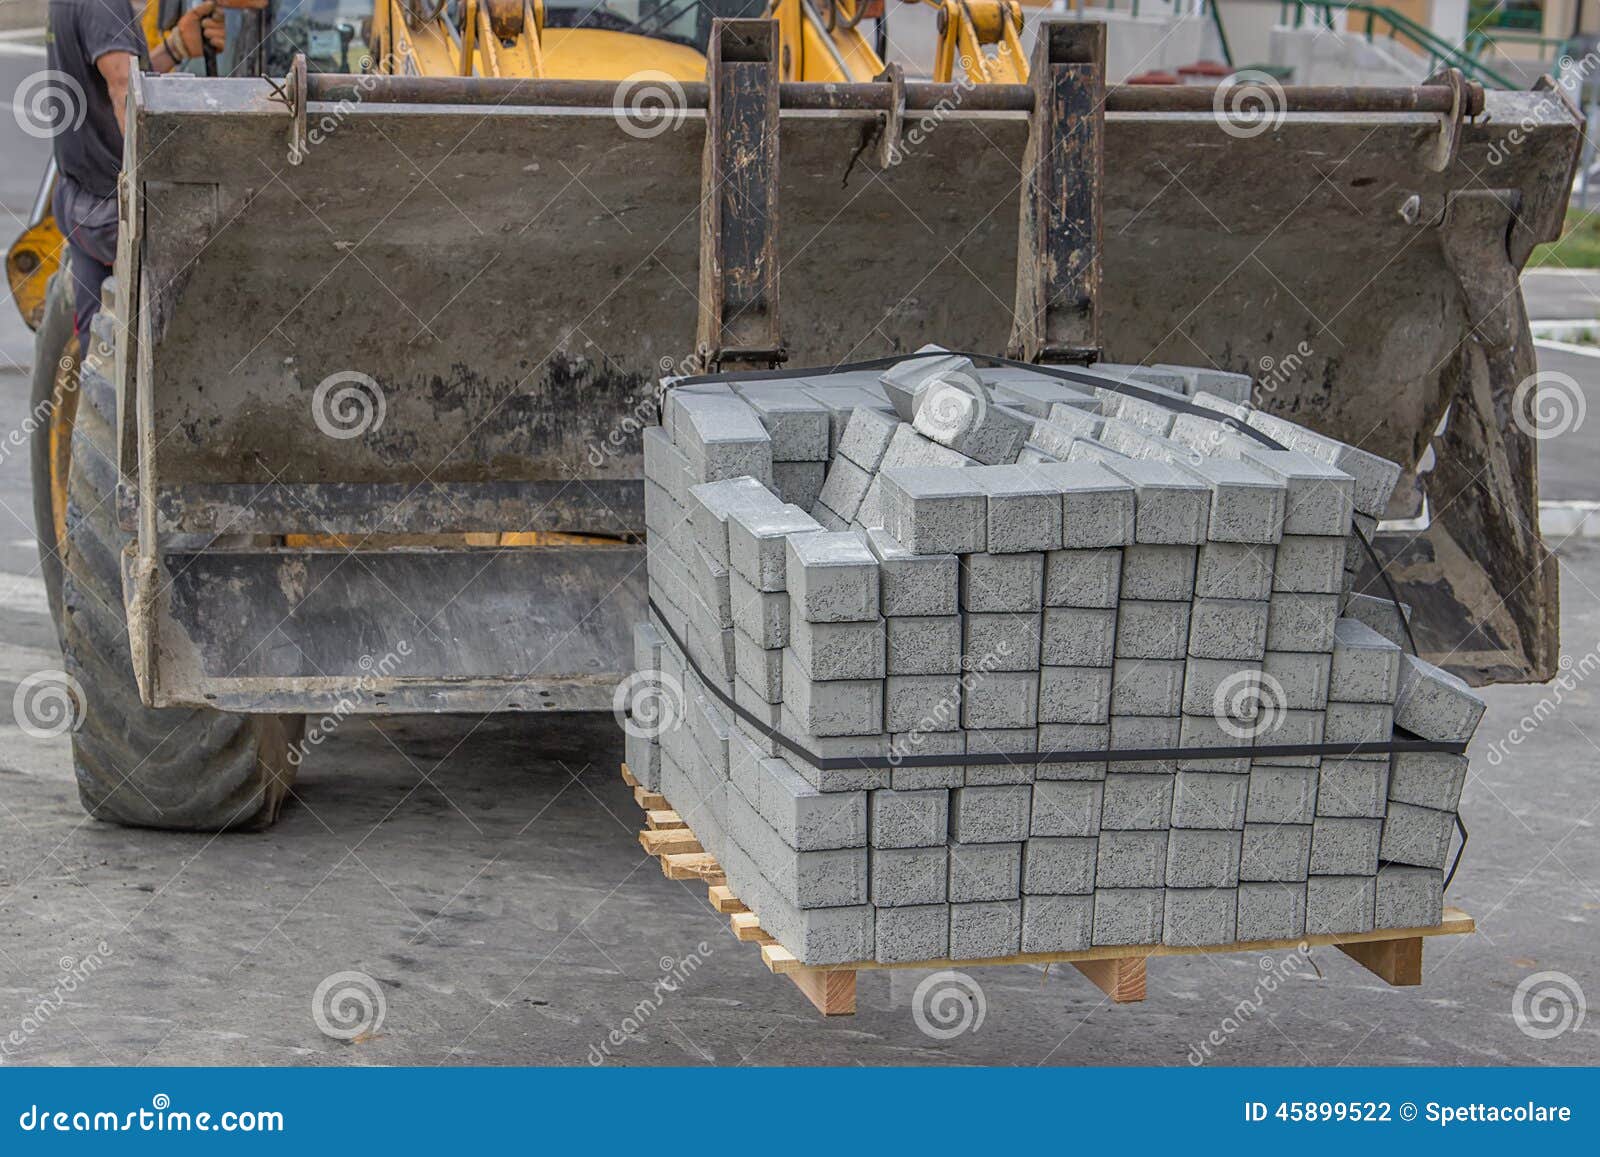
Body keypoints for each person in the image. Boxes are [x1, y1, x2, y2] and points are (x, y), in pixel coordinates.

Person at [47, 0, 229, 347]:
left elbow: (122, 79)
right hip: (111, 210)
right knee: (217, 283)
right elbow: (123, 89)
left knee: (100, 346)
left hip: (85, 200)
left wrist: (174, 49)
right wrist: (158, 190)